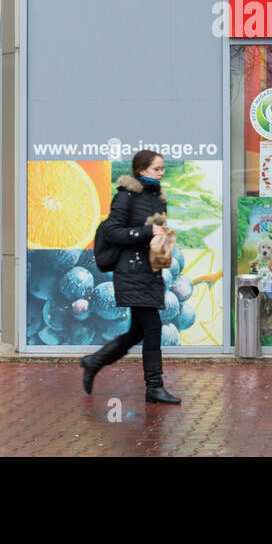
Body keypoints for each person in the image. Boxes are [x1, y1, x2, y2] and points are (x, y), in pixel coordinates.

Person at [80, 150, 180, 404]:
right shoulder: (125, 196)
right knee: (153, 327)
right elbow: (112, 232)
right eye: (157, 169)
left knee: (137, 331)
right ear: (142, 171)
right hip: (132, 271)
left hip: (150, 272)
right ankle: (154, 387)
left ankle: (94, 361)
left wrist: (164, 247)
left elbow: (155, 236)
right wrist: (147, 232)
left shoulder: (158, 198)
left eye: (162, 168)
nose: (161, 172)